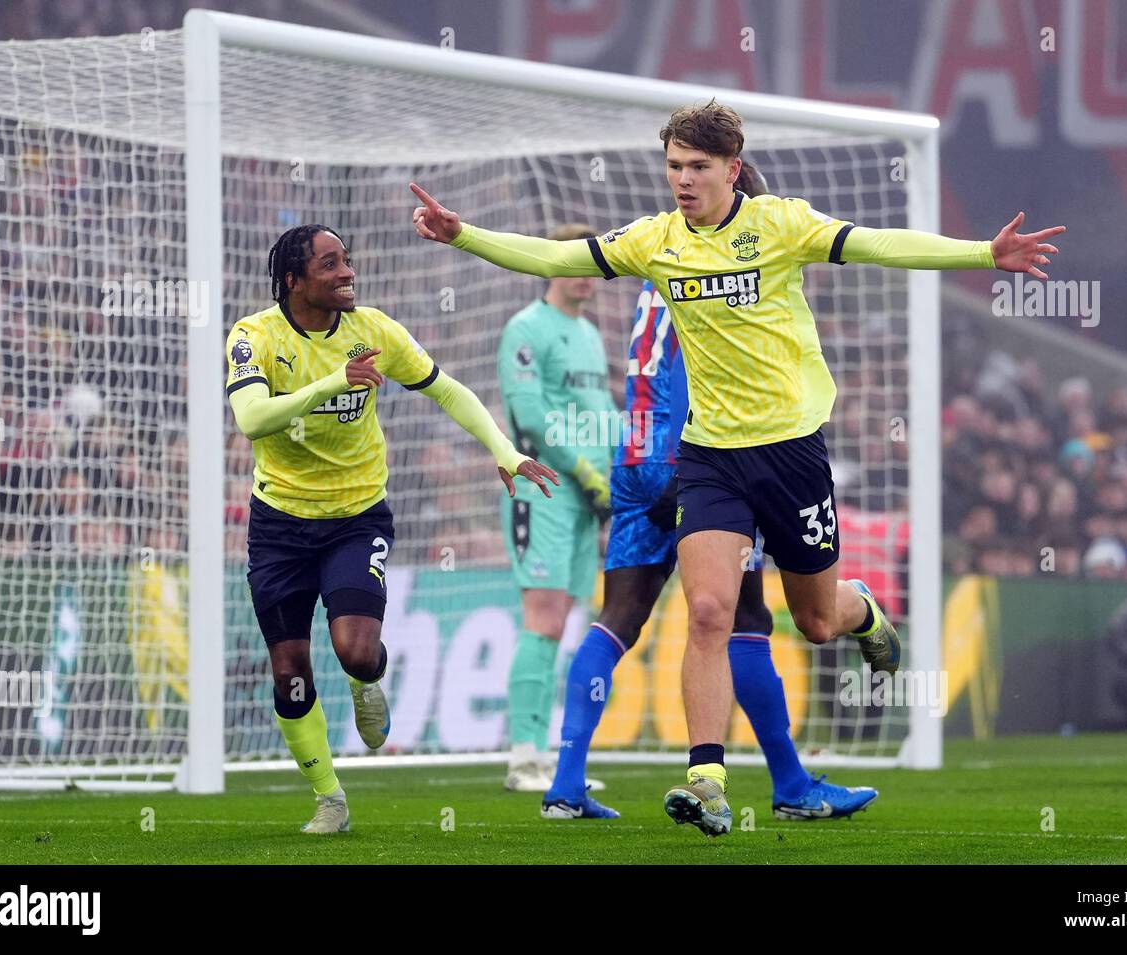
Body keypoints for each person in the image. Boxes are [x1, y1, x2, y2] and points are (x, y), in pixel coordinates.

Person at [410, 100, 1063, 836]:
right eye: (673, 168)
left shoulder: (779, 224)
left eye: (696, 168)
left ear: (731, 166)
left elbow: (878, 243)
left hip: (791, 453)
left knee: (816, 620)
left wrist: (983, 253)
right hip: (708, 455)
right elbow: (560, 257)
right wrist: (462, 234)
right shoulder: (656, 240)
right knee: (711, 612)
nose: (682, 182)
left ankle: (864, 612)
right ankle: (707, 777)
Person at [541, 163, 876, 821]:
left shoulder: (652, 260)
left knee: (620, 619)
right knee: (742, 620)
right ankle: (790, 784)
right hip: (700, 457)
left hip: (632, 455)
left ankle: (566, 784)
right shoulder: (714, 274)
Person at [227, 224, 557, 833]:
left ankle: (367, 679)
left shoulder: (374, 330)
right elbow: (252, 418)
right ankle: (330, 797)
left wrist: (503, 451)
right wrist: (334, 382)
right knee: (290, 671)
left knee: (354, 650)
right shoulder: (255, 337)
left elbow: (447, 390)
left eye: (347, 260)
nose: (346, 272)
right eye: (329, 265)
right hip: (279, 526)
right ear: (294, 280)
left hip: (356, 516)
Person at [496, 223, 617, 791]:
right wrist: (585, 469)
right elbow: (530, 418)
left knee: (563, 622)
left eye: (592, 266)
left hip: (587, 499)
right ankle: (523, 755)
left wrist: (613, 473)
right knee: (541, 619)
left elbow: (602, 413)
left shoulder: (590, 336)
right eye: (575, 263)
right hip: (541, 490)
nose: (586, 276)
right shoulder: (526, 329)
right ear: (549, 266)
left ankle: (547, 755)